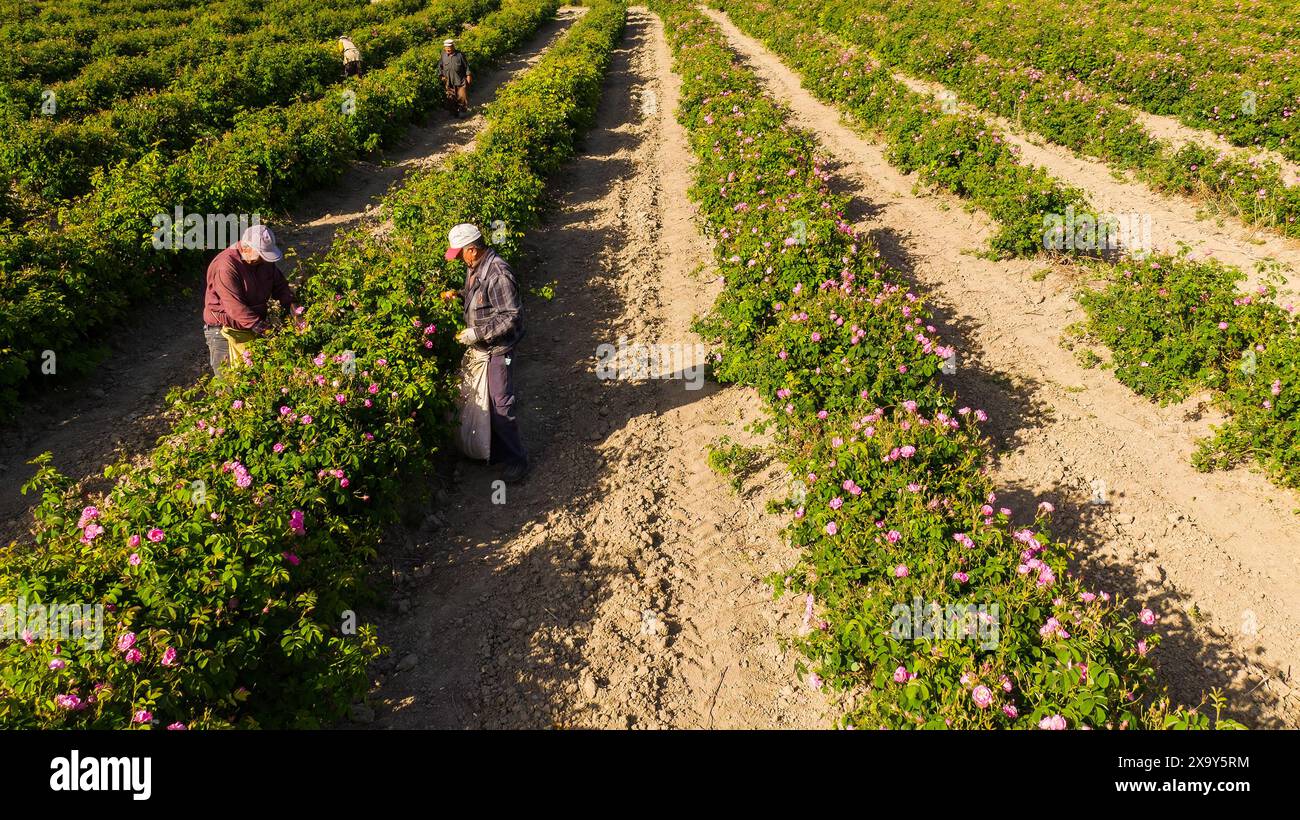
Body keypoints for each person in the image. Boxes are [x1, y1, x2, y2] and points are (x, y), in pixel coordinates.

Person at [446, 223, 529, 482]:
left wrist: (477, 334)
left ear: (472, 249)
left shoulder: (498, 273)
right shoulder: (474, 268)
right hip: (485, 347)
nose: (457, 258)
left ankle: (517, 461)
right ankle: (495, 449)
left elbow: (511, 316)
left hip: (499, 347)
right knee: (489, 400)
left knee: (501, 403)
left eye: (459, 253)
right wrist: (459, 296)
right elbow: (481, 299)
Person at [202, 224, 298, 376]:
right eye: (260, 256)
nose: (263, 261)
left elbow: (280, 286)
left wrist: (294, 310)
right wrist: (265, 330)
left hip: (251, 327)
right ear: (245, 248)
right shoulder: (226, 266)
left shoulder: (264, 263)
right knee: (229, 384)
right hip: (224, 331)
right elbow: (235, 307)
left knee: (256, 379)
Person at [438, 38, 471, 118]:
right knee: (450, 97)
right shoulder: (443, 55)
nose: (448, 49)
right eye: (446, 48)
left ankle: (462, 112)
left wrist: (468, 76)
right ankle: (453, 113)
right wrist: (441, 75)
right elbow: (440, 66)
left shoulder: (460, 55)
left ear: (453, 46)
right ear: (444, 48)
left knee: (462, 97)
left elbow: (466, 67)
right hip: (448, 81)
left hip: (460, 80)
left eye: (449, 47)